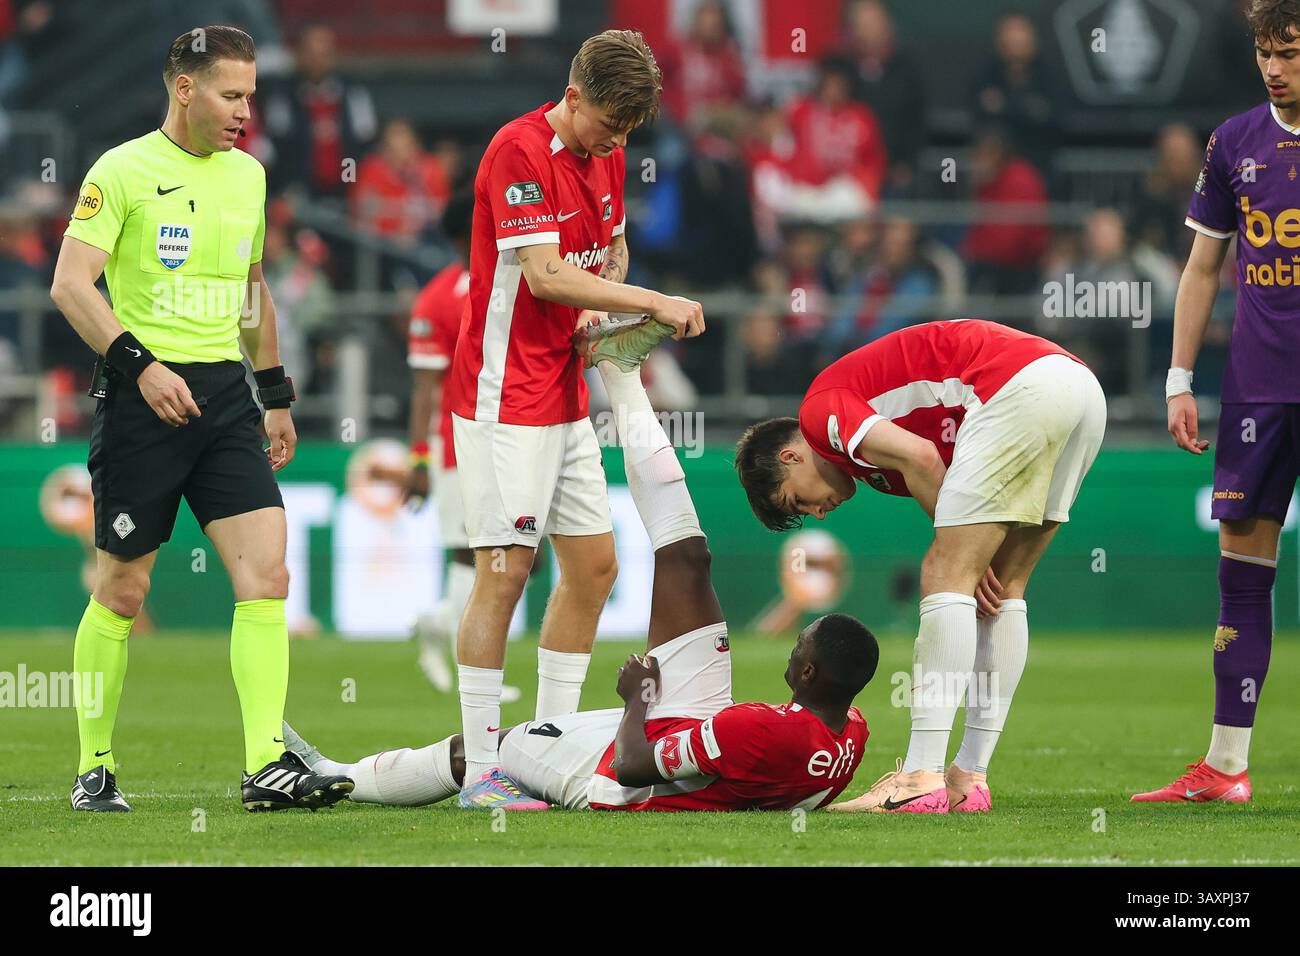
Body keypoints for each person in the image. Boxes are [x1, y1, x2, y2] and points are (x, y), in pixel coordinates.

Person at [283, 328, 877, 811]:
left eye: (798, 647)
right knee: (687, 559)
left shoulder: (766, 729)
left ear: (804, 671)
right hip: (697, 733)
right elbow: (791, 784)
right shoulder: (849, 734)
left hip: (619, 779)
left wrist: (638, 697)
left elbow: (631, 765)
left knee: (485, 752)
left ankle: (339, 776)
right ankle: (621, 371)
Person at [49, 25, 351, 813]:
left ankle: (264, 765)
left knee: (268, 577)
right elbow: (72, 285)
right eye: (231, 94)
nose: (245, 111)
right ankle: (95, 766)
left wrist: (275, 393)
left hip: (223, 399)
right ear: (184, 88)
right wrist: (140, 366)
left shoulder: (247, 177)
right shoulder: (120, 171)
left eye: (250, 94)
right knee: (123, 589)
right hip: (141, 397)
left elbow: (251, 291)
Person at [445, 29, 704, 807]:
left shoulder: (608, 153)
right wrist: (651, 301)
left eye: (627, 133)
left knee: (593, 567)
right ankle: (486, 770)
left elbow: (608, 254)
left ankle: (543, 749)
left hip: (562, 388)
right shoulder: (517, 151)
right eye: (607, 125)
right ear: (573, 93)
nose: (614, 142)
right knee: (505, 572)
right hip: (501, 392)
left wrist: (610, 320)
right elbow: (551, 276)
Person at [735, 319, 1106, 813]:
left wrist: (960, 555)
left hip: (1019, 385)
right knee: (1007, 589)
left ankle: (920, 778)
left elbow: (925, 458)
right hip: (1080, 391)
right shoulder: (874, 472)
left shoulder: (818, 413)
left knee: (945, 572)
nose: (818, 511)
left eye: (797, 501)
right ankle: (968, 779)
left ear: (789, 456)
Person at [1132, 0, 1300, 805]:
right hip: (1257, 390)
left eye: (1292, 52)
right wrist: (1177, 379)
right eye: (1267, 51)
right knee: (1241, 573)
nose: (1276, 67)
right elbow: (1202, 270)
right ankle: (1226, 766)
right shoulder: (1234, 142)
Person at [401, 189, 519, 701]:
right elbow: (425, 387)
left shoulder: (511, 282)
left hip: (514, 437)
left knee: (520, 555)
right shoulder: (438, 298)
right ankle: (467, 661)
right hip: (454, 443)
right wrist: (420, 458)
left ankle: (436, 622)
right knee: (468, 553)